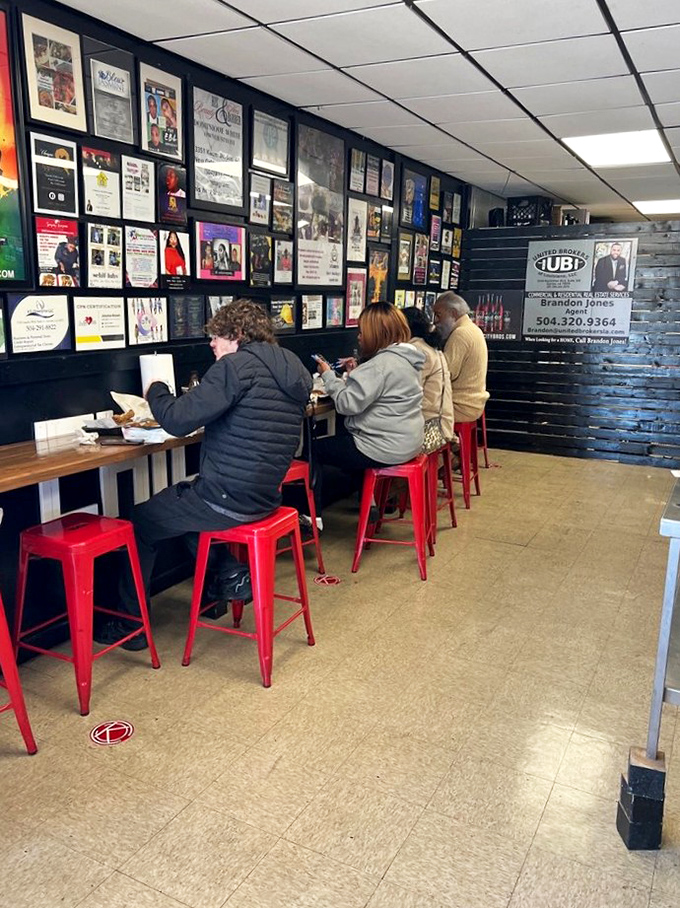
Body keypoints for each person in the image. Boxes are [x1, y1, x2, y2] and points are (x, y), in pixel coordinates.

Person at [94, 300, 312, 649]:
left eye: (217, 336)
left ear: (238, 335)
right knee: (187, 507)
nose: (211, 344)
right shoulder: (293, 367)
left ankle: (130, 626)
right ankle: (227, 573)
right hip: (265, 496)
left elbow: (178, 421)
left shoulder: (235, 368)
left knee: (141, 521)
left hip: (227, 497)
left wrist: (156, 391)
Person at [313, 302, 424, 516]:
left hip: (384, 447)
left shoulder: (379, 365)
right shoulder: (406, 360)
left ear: (376, 334)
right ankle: (372, 502)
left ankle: (313, 518)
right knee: (346, 439)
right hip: (408, 442)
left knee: (314, 450)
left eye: (362, 332)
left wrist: (327, 374)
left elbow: (346, 404)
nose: (359, 337)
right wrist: (357, 373)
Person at [433, 291, 489, 424]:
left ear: (453, 313)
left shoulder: (460, 334)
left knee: (416, 411)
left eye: (438, 315)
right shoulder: (473, 329)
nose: (435, 321)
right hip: (474, 403)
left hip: (460, 406)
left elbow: (446, 374)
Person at [402, 307, 454, 447]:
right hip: (441, 421)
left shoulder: (416, 351)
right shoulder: (429, 346)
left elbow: (406, 391)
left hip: (431, 428)